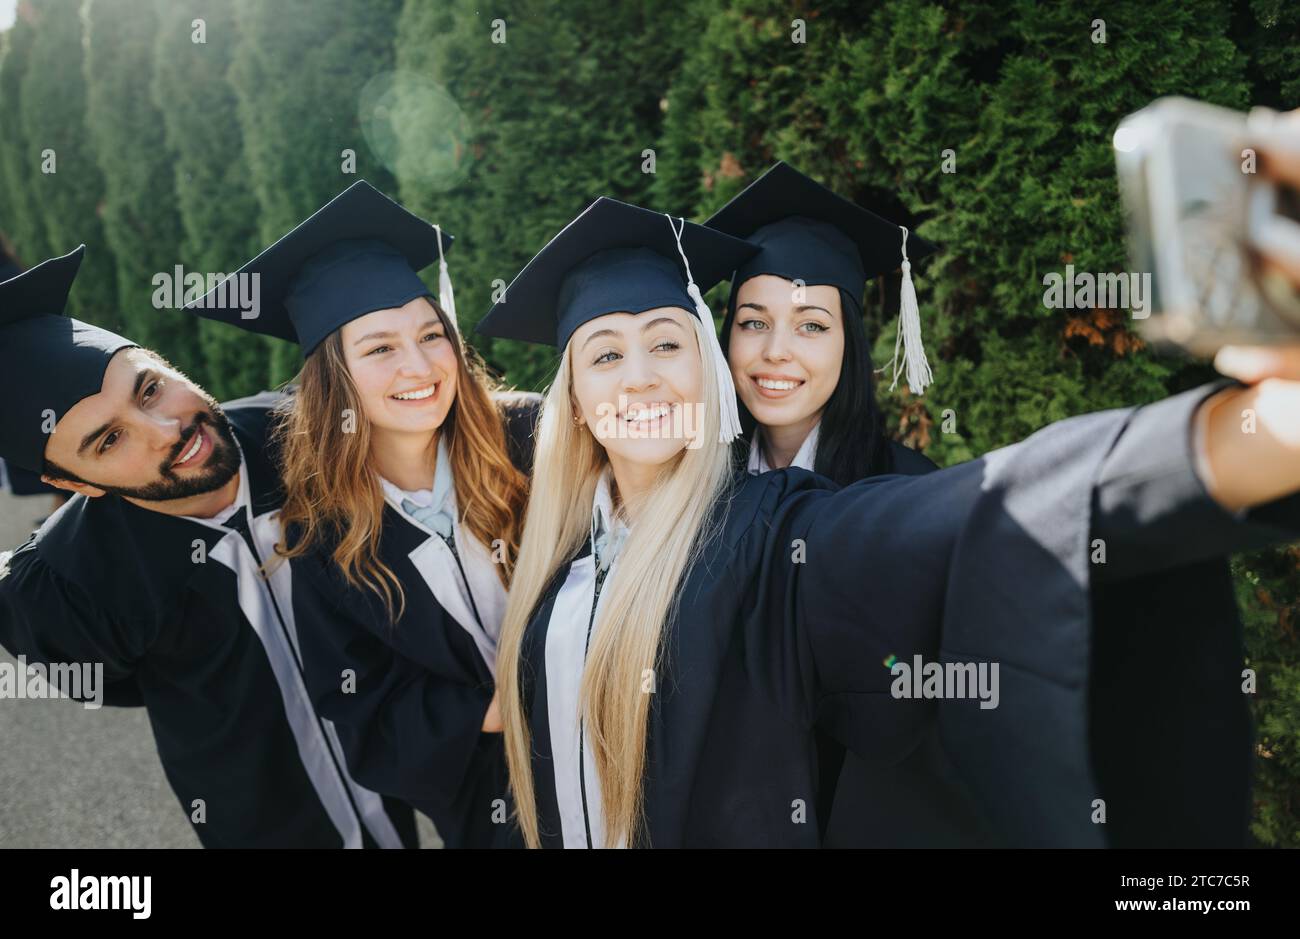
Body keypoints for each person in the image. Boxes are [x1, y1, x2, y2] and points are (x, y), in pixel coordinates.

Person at [475, 195, 1300, 848]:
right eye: (606, 354)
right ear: (573, 397)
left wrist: (1254, 432)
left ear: (704, 371)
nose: (641, 380)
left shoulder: (768, 541)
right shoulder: (560, 559)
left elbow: (988, 506)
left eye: (666, 343)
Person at [0, 246, 415, 847]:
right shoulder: (64, 586)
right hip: (256, 820)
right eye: (111, 439)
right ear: (73, 484)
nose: (169, 432)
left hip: (412, 779)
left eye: (149, 390)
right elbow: (109, 682)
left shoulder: (310, 442)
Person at [186, 180, 536, 848]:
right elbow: (362, 702)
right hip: (486, 795)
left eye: (432, 334)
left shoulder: (533, 444)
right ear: (334, 375)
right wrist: (496, 713)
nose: (420, 364)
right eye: (379, 347)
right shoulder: (320, 534)